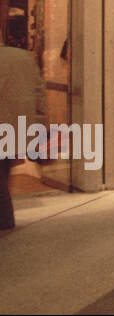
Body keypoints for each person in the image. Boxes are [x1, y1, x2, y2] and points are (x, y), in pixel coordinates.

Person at [0, 46, 46, 230]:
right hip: (16, 129)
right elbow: (39, 94)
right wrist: (39, 124)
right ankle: (5, 221)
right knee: (3, 175)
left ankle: (5, 223)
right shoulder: (24, 57)